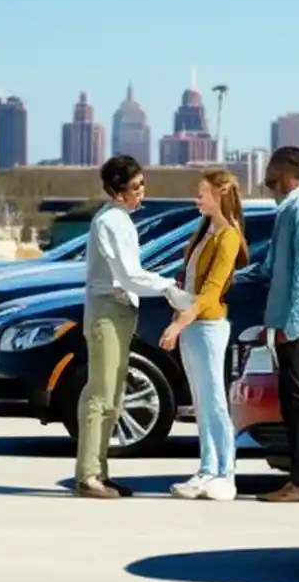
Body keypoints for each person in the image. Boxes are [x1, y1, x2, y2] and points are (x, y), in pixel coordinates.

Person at [76, 156, 191, 499]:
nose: (142, 192)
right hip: (107, 310)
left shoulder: (122, 220)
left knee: (114, 394)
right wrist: (169, 288)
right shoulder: (110, 221)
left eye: (142, 184)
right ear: (116, 189)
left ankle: (99, 471)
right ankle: (88, 475)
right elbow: (127, 274)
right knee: (101, 393)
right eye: (135, 187)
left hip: (121, 310)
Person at [159, 168, 250, 501]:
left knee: (214, 400)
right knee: (200, 400)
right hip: (193, 325)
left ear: (221, 191)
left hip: (209, 326)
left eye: (203, 192)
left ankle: (225, 474)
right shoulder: (204, 231)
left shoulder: (227, 235)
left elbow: (212, 291)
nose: (198, 198)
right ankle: (207, 468)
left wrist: (178, 324)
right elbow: (193, 281)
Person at [256, 146, 299, 503]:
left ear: (284, 175)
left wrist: (294, 324)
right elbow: (271, 268)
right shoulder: (286, 213)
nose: (268, 184)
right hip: (281, 320)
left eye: (270, 176)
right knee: (289, 399)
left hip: (295, 324)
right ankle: (296, 479)